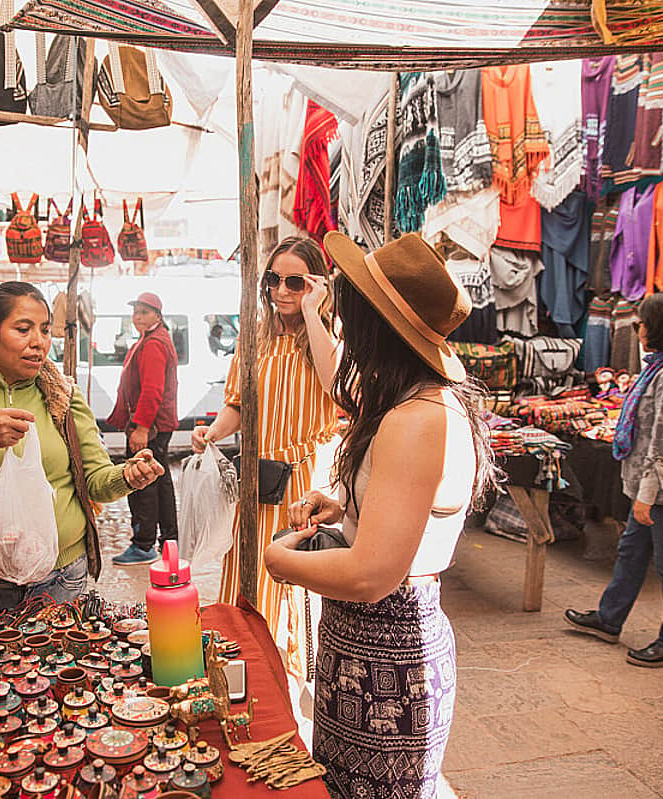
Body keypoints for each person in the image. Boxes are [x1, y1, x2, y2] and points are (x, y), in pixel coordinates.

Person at [264, 231, 497, 799]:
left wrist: (278, 561)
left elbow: (372, 575)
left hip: (389, 654)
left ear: (375, 327)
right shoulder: (411, 403)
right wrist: (342, 498)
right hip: (368, 650)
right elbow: (403, 502)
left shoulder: (418, 418)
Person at [0, 282, 164, 609]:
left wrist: (127, 476)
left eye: (45, 330)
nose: (39, 342)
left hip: (62, 579)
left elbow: (95, 482)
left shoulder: (63, 396)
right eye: (23, 329)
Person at [190, 236, 339, 671]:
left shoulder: (330, 335)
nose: (282, 292)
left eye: (296, 282)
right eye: (274, 280)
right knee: (246, 574)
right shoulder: (255, 337)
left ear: (316, 284)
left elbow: (336, 388)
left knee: (290, 583)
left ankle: (285, 675)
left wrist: (313, 312)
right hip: (256, 478)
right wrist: (212, 433)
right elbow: (238, 403)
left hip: (304, 482)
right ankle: (244, 668)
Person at [566, 292, 663, 666]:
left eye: (641, 323)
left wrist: (647, 496)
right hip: (654, 486)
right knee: (631, 553)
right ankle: (609, 618)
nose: (638, 329)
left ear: (660, 327)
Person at [107, 291, 180, 566]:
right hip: (156, 426)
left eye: (144, 312)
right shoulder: (154, 339)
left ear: (157, 316)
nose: (138, 317)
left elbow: (151, 391)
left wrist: (140, 427)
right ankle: (168, 542)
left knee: (142, 482)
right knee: (160, 483)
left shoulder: (153, 345)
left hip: (150, 427)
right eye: (135, 312)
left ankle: (143, 544)